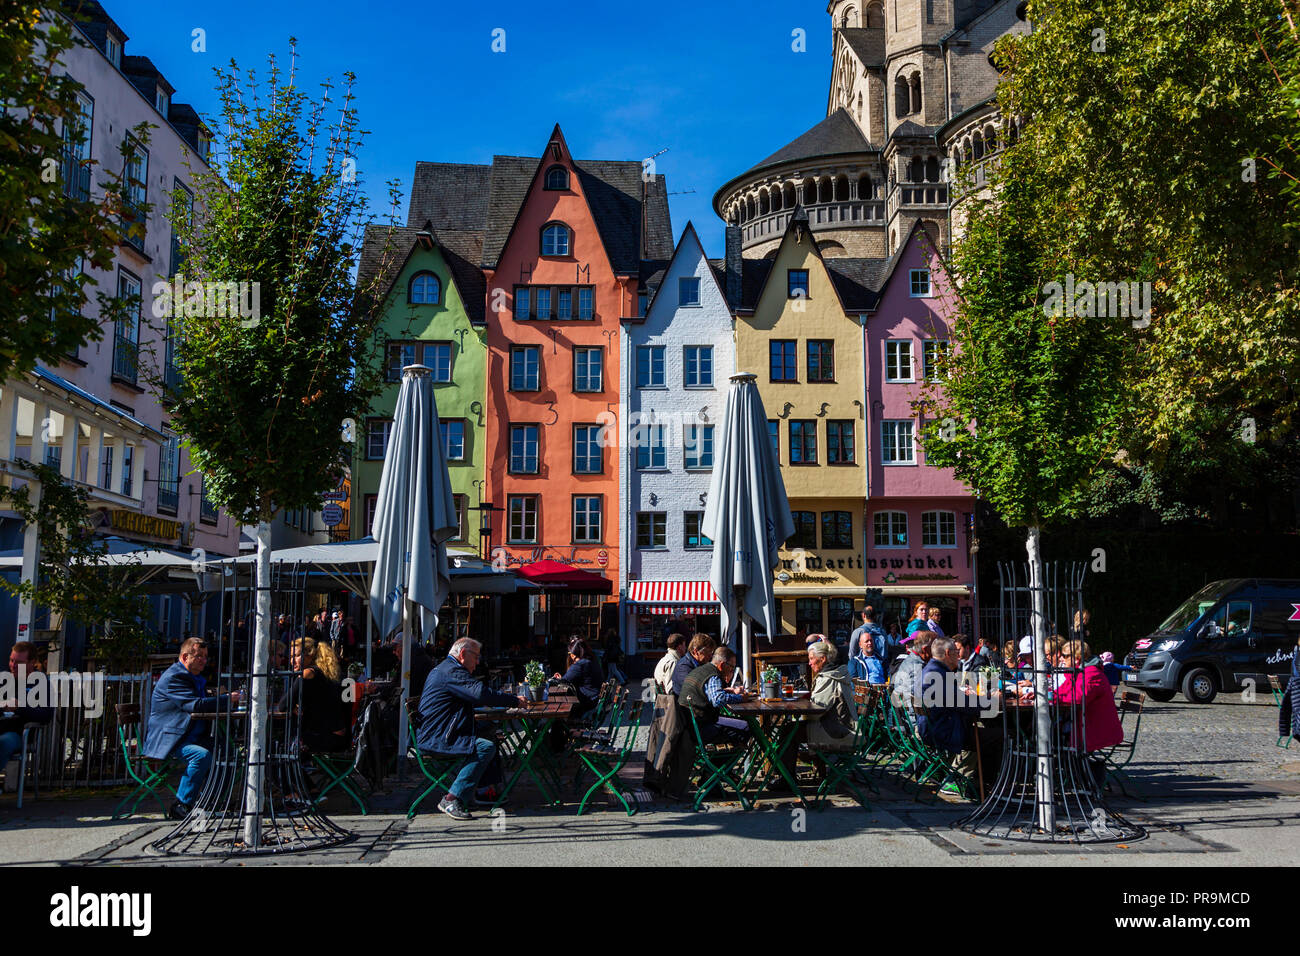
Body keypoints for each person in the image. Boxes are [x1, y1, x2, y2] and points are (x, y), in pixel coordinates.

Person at [417, 637, 524, 820]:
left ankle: (484, 790)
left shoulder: (447, 669)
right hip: (438, 737)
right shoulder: (451, 671)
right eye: (476, 657)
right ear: (463, 654)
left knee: (488, 732)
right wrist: (515, 701)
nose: (477, 662)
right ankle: (451, 798)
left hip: (441, 732)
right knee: (485, 746)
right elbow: (480, 693)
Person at [143, 638, 240, 820]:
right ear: (185, 656)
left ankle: (211, 800)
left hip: (192, 736)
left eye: (205, 656)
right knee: (201, 755)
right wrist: (227, 699)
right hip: (172, 739)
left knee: (228, 750)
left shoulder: (194, 677)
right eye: (199, 656)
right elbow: (194, 705)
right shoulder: (175, 677)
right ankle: (181, 805)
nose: (204, 660)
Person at [917, 635, 1000, 789]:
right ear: (948, 653)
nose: (959, 656)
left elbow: (957, 701)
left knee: (986, 732)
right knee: (1000, 736)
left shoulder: (931, 669)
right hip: (944, 731)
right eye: (956, 652)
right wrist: (993, 701)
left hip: (932, 727)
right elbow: (968, 707)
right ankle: (980, 784)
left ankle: (972, 780)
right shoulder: (939, 675)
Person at [278, 636, 349, 754]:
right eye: (290, 657)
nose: (292, 661)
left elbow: (283, 705)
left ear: (309, 655)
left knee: (280, 742)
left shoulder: (308, 673)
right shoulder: (324, 672)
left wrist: (294, 705)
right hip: (339, 736)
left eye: (296, 656)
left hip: (325, 738)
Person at [1053, 639, 1123, 754]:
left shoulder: (1091, 674)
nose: (1061, 659)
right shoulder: (1079, 672)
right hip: (1084, 723)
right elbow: (1063, 690)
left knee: (1050, 731)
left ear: (1076, 658)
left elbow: (1077, 698)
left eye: (1064, 656)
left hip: (1095, 728)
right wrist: (1048, 695)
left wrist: (1053, 698)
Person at [0, 643, 54, 774]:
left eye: (19, 662)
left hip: (19, 733)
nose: (13, 665)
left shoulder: (40, 683)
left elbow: (46, 715)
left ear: (32, 662)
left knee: (3, 743)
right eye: (11, 660)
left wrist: (20, 707)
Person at [677, 646, 749, 744]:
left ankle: (721, 758)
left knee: (742, 724)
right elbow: (718, 700)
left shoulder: (701, 670)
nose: (731, 670)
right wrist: (741, 698)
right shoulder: (713, 676)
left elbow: (709, 692)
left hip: (689, 725)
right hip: (699, 728)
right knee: (746, 728)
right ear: (723, 665)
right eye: (731, 667)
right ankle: (720, 759)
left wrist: (727, 691)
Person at [806, 641, 857, 748]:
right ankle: (818, 763)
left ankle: (780, 765)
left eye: (811, 659)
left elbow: (816, 711)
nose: (809, 663)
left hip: (837, 732)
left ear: (823, 659)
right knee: (791, 730)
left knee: (789, 731)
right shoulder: (838, 673)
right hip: (844, 727)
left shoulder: (828, 679)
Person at [554, 637, 604, 715]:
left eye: (570, 653)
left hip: (587, 701)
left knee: (560, 710)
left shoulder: (580, 664)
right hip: (595, 699)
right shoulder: (593, 660)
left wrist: (557, 679)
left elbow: (564, 681)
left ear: (574, 654)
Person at [891, 631, 932, 712]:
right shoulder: (913, 664)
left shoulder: (911, 661)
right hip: (912, 717)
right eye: (909, 643)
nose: (906, 646)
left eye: (909, 643)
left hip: (904, 713)